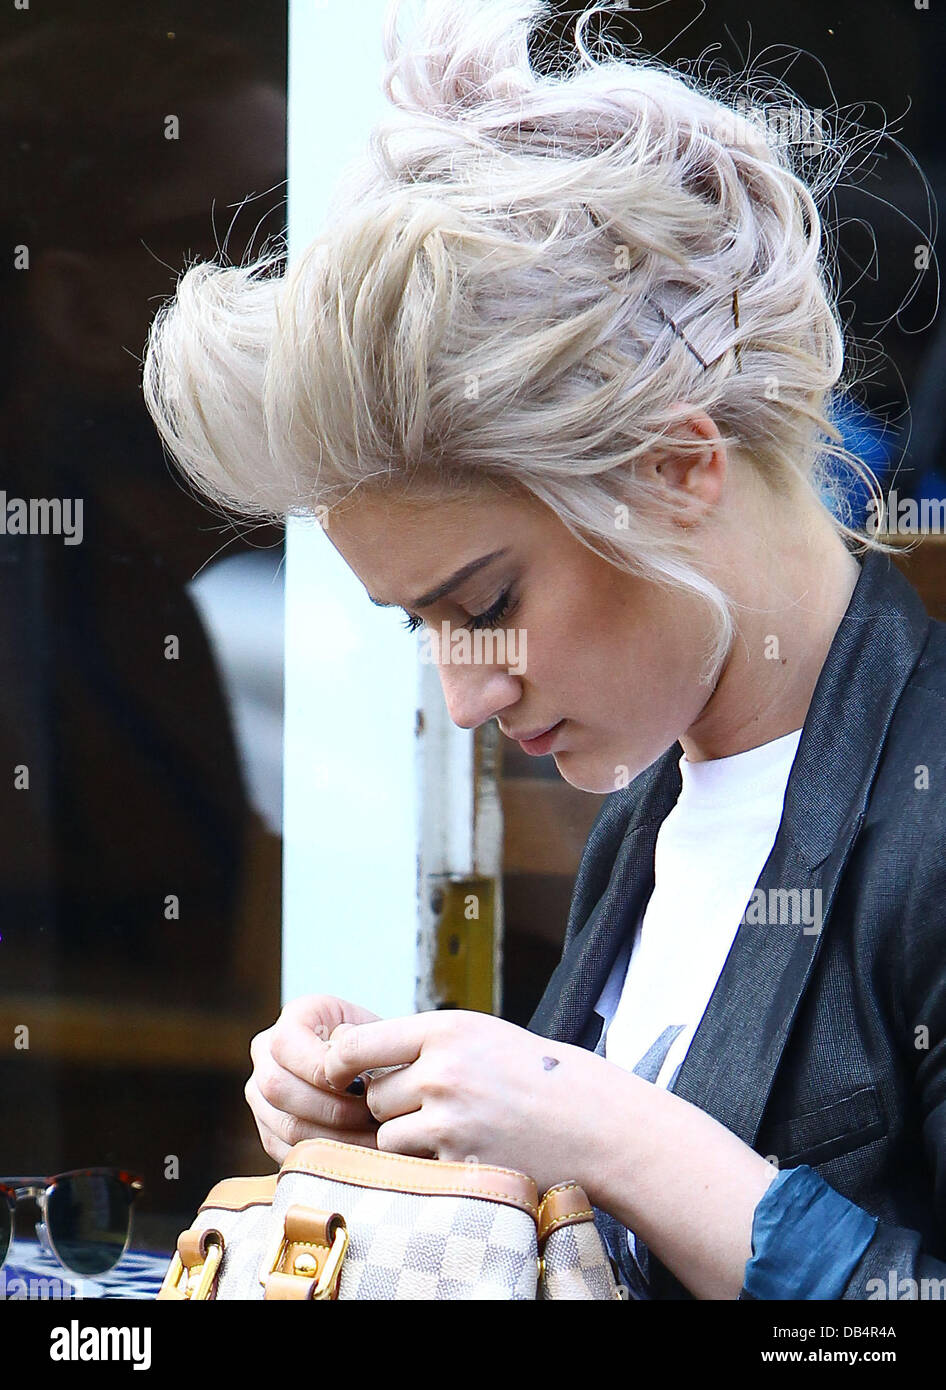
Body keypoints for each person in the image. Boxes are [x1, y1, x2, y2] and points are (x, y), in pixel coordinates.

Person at [141, 0, 946, 1299]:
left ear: (679, 464)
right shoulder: (652, 818)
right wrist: (426, 1150)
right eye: (425, 626)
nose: (466, 692)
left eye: (482, 597)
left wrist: (590, 1118)